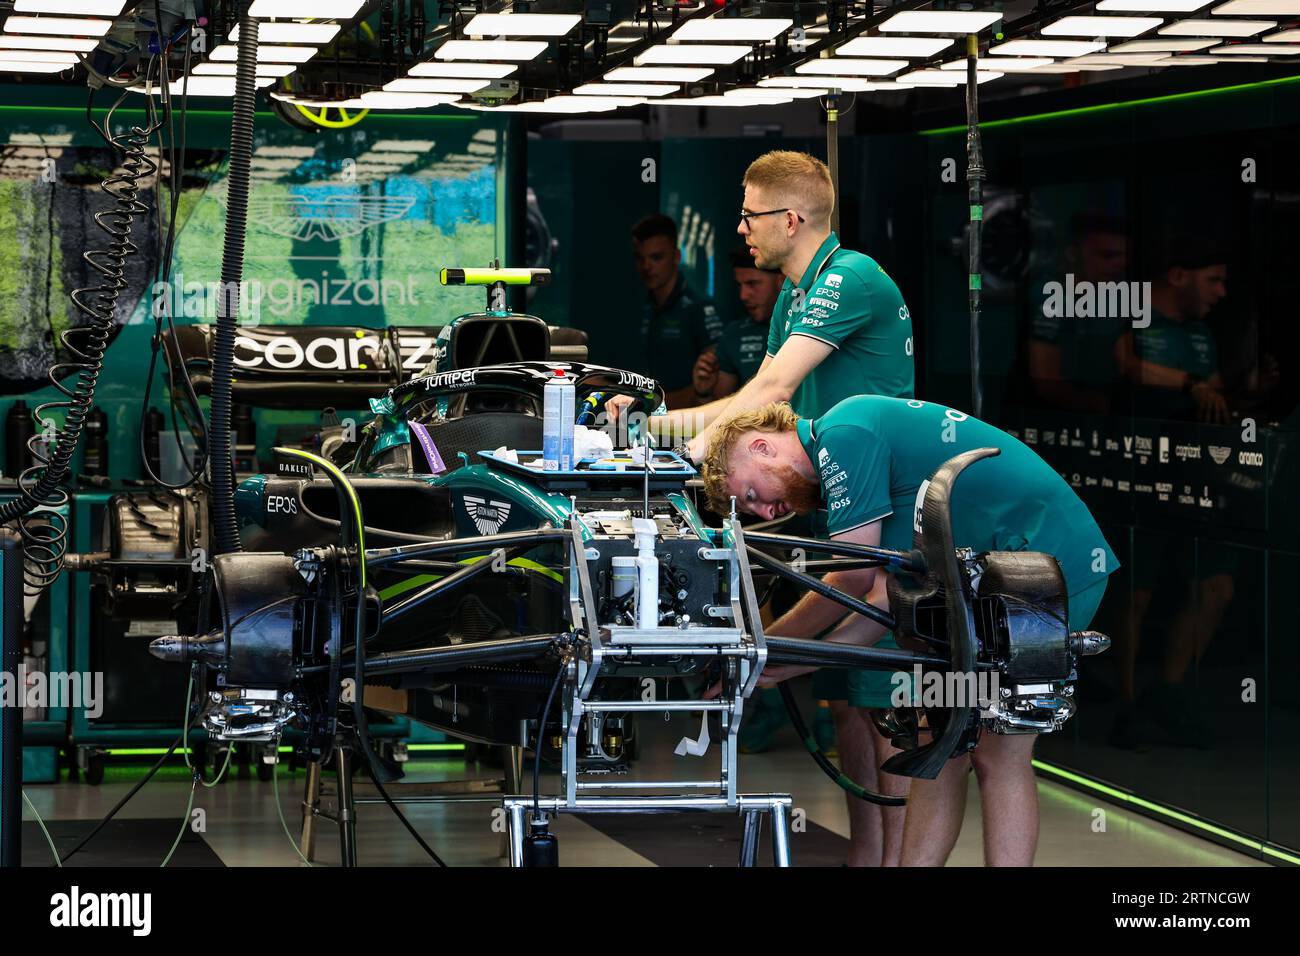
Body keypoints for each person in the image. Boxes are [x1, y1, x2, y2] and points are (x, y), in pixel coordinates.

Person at [610, 150, 917, 867]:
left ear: (791, 217)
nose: (740, 229)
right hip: (826, 504)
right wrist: (649, 431)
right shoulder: (791, 290)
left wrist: (688, 454)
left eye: (749, 215)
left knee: (885, 713)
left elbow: (773, 385)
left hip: (882, 507)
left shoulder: (851, 277)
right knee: (845, 705)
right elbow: (760, 405)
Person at [700, 396, 1118, 866]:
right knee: (936, 743)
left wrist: (764, 646)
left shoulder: (845, 434)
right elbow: (881, 598)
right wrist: (785, 662)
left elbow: (849, 579)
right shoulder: (853, 441)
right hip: (988, 581)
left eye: (751, 494)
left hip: (1047, 569)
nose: (765, 512)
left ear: (761, 447)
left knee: (1000, 751)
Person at [1114, 234, 1228, 423]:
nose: (1222, 292)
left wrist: (1252, 389)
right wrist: (1191, 383)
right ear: (1178, 276)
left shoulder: (1200, 330)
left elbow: (1215, 395)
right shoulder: (1122, 311)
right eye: (1213, 280)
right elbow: (1127, 364)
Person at [631, 213, 724, 409]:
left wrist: (655, 406)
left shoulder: (699, 307)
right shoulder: (644, 304)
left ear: (676, 256)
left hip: (686, 423)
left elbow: (714, 383)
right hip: (649, 421)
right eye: (640, 258)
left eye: (656, 257)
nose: (646, 266)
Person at [692, 248, 786, 401]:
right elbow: (719, 414)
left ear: (781, 281)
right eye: (739, 285)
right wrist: (703, 392)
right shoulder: (734, 335)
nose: (743, 296)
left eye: (752, 284)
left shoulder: (805, 324)